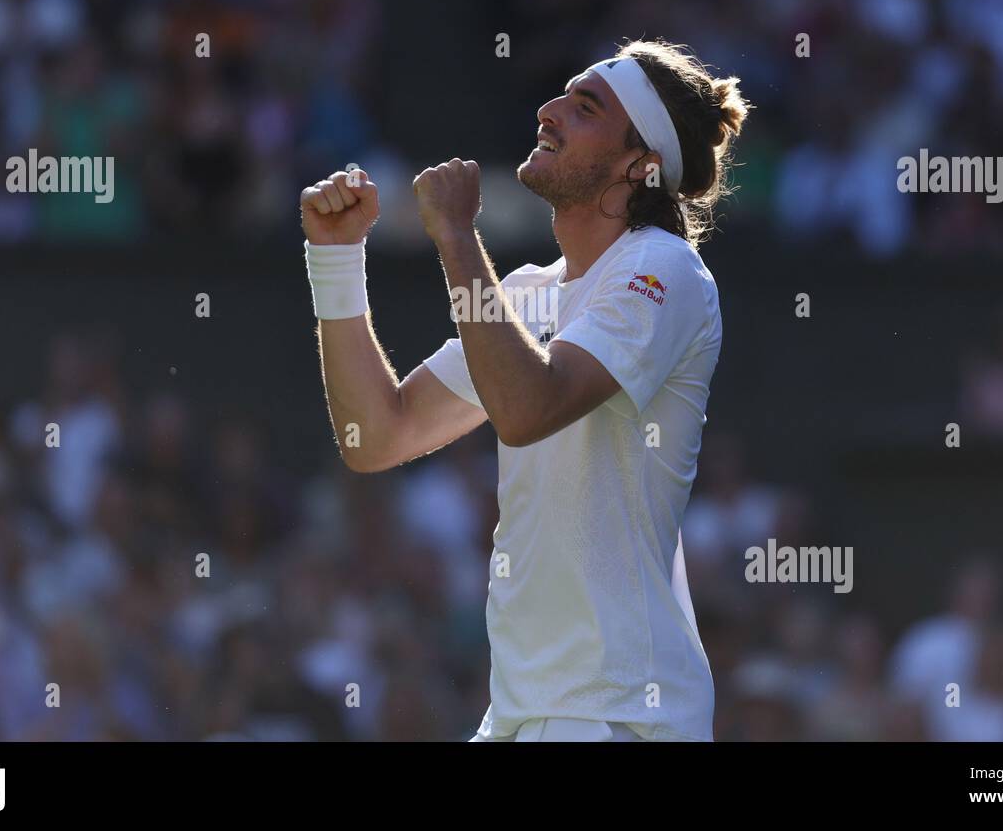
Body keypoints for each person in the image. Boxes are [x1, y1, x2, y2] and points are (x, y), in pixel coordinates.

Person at [301, 39, 748, 741]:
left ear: (640, 164)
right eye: (562, 95)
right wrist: (335, 257)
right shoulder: (526, 295)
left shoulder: (666, 270)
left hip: (618, 716)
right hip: (521, 714)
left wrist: (454, 233)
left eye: (585, 106)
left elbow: (527, 409)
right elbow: (375, 438)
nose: (549, 110)